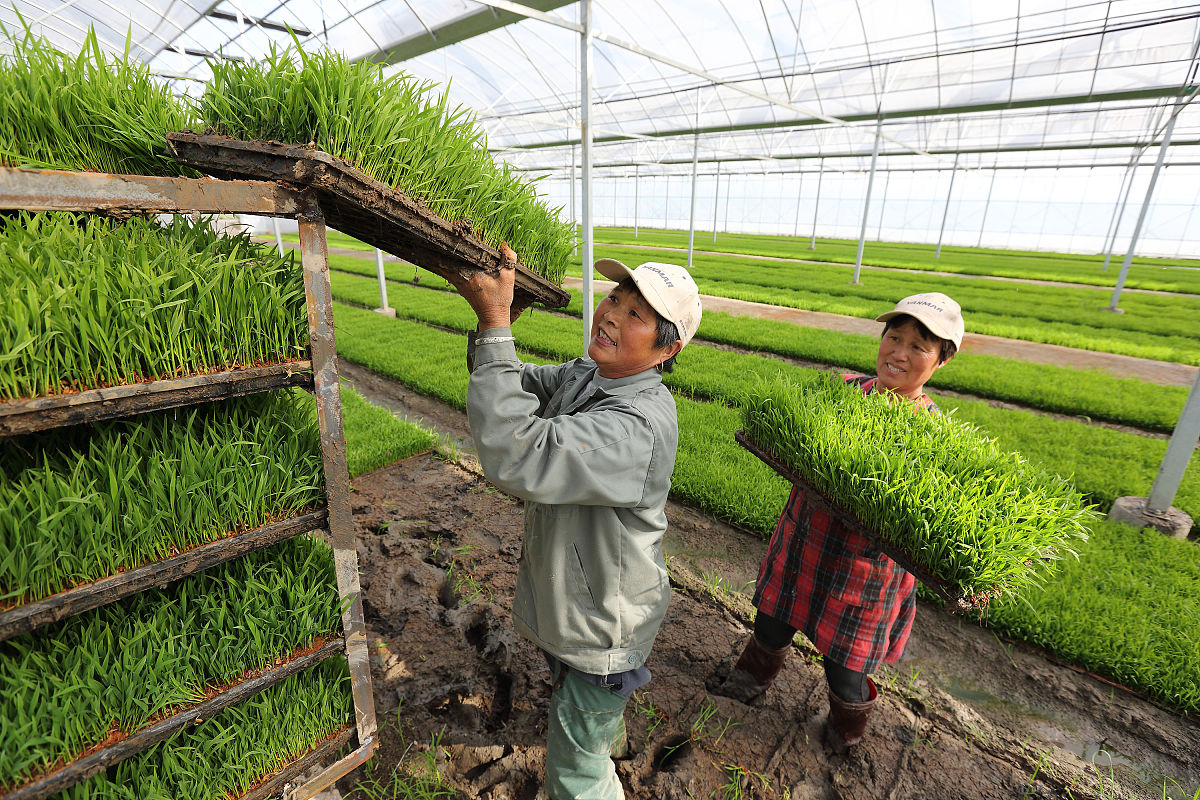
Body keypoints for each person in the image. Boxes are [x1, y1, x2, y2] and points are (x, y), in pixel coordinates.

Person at [450, 253, 703, 800]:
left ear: (668, 348)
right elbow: (509, 383)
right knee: (582, 698)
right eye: (616, 298)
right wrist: (497, 331)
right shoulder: (590, 374)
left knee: (575, 773)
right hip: (577, 605)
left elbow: (519, 451)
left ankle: (596, 763)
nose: (612, 314)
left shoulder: (634, 426)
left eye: (637, 314)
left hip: (602, 625)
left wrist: (496, 328)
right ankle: (608, 736)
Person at [710, 292, 964, 753]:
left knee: (847, 669)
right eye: (894, 336)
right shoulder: (840, 390)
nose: (899, 353)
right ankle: (744, 687)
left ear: (942, 360)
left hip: (865, 577)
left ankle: (844, 736)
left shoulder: (935, 435)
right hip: (804, 545)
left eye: (919, 346)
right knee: (770, 625)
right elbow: (785, 434)